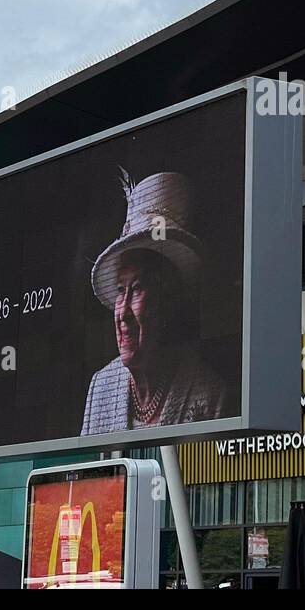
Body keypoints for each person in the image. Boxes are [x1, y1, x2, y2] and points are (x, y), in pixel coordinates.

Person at [81, 170, 227, 434]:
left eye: (136, 289)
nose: (122, 312)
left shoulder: (208, 393)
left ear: (168, 301)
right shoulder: (101, 388)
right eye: (119, 290)